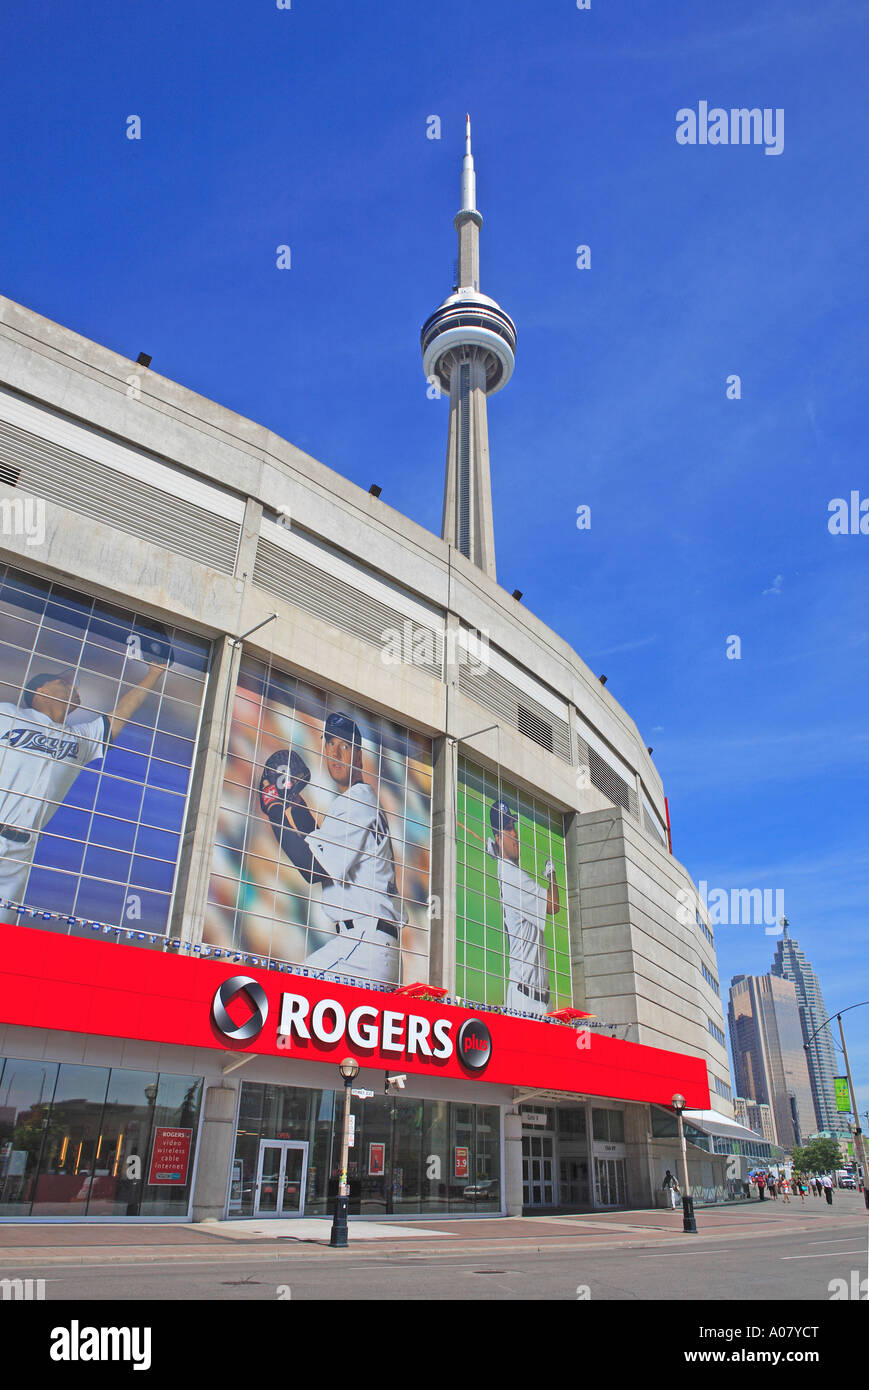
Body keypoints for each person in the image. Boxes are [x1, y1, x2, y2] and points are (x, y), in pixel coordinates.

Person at [0, 653, 171, 904]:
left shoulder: (81, 738)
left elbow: (122, 711)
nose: (75, 687)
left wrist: (154, 673)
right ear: (40, 690)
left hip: (22, 851)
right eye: (65, 683)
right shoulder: (7, 714)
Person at [259, 712, 404, 984]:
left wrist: (275, 810)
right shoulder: (361, 800)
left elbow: (311, 868)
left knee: (286, 989)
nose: (336, 753)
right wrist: (293, 802)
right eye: (330, 743)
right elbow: (317, 841)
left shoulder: (355, 804)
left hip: (363, 946)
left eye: (345, 746)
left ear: (359, 754)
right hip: (372, 944)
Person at [486, 800, 560, 1016]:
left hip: (536, 999)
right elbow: (553, 905)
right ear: (499, 838)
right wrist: (552, 875)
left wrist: (498, 855)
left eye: (514, 826)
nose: (515, 833)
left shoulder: (505, 871)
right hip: (526, 1001)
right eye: (508, 828)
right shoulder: (514, 878)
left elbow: (507, 868)